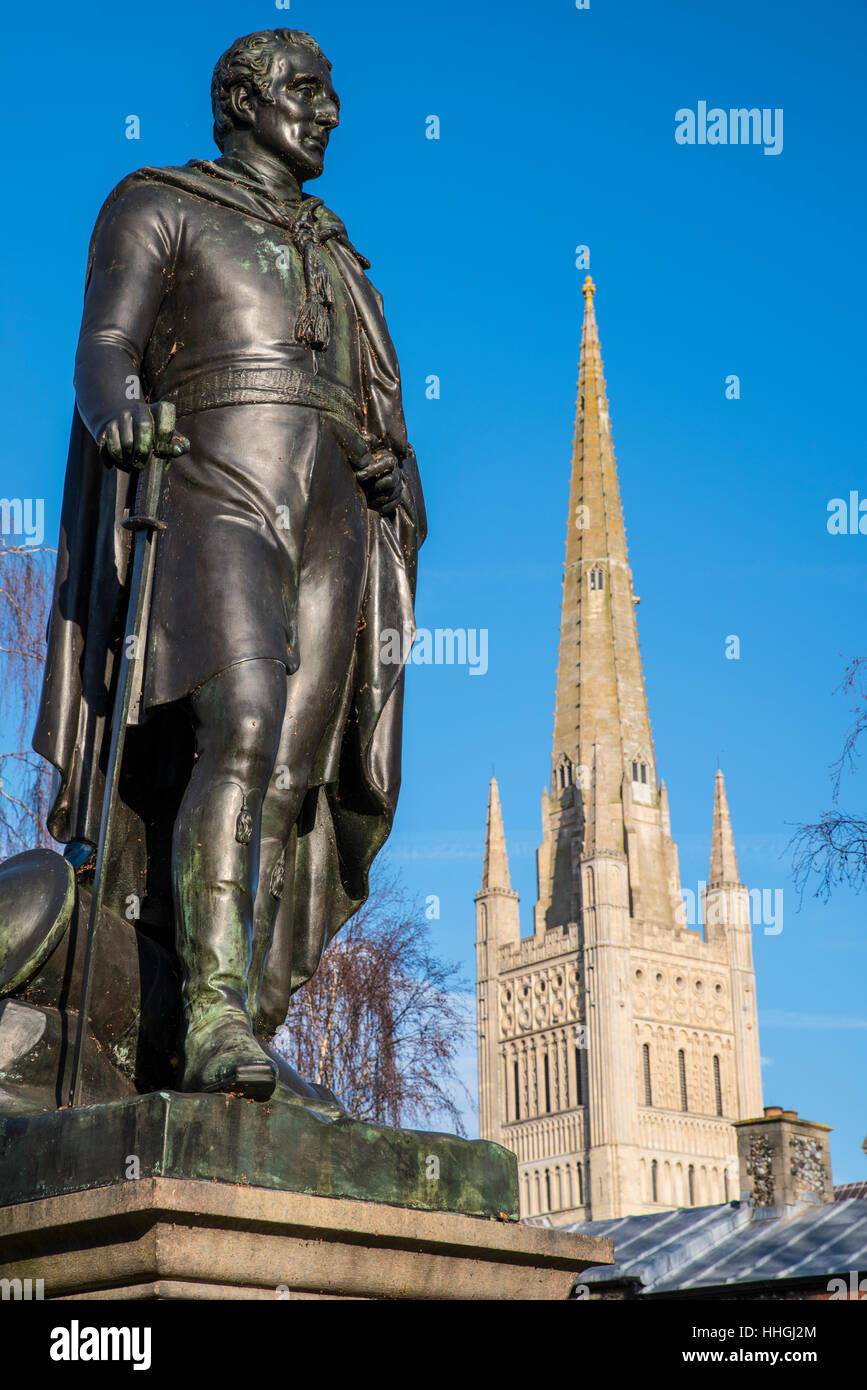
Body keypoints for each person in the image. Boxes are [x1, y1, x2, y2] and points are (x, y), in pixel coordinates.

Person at [33, 28, 425, 1100]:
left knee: (296, 778)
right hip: (216, 484)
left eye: (332, 93)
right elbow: (103, 351)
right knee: (242, 722)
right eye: (308, 90)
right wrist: (121, 418)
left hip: (335, 516)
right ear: (242, 100)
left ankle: (245, 1017)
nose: (330, 111)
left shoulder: (339, 251)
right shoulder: (157, 201)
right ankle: (207, 1015)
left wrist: (391, 467)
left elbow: (368, 398)